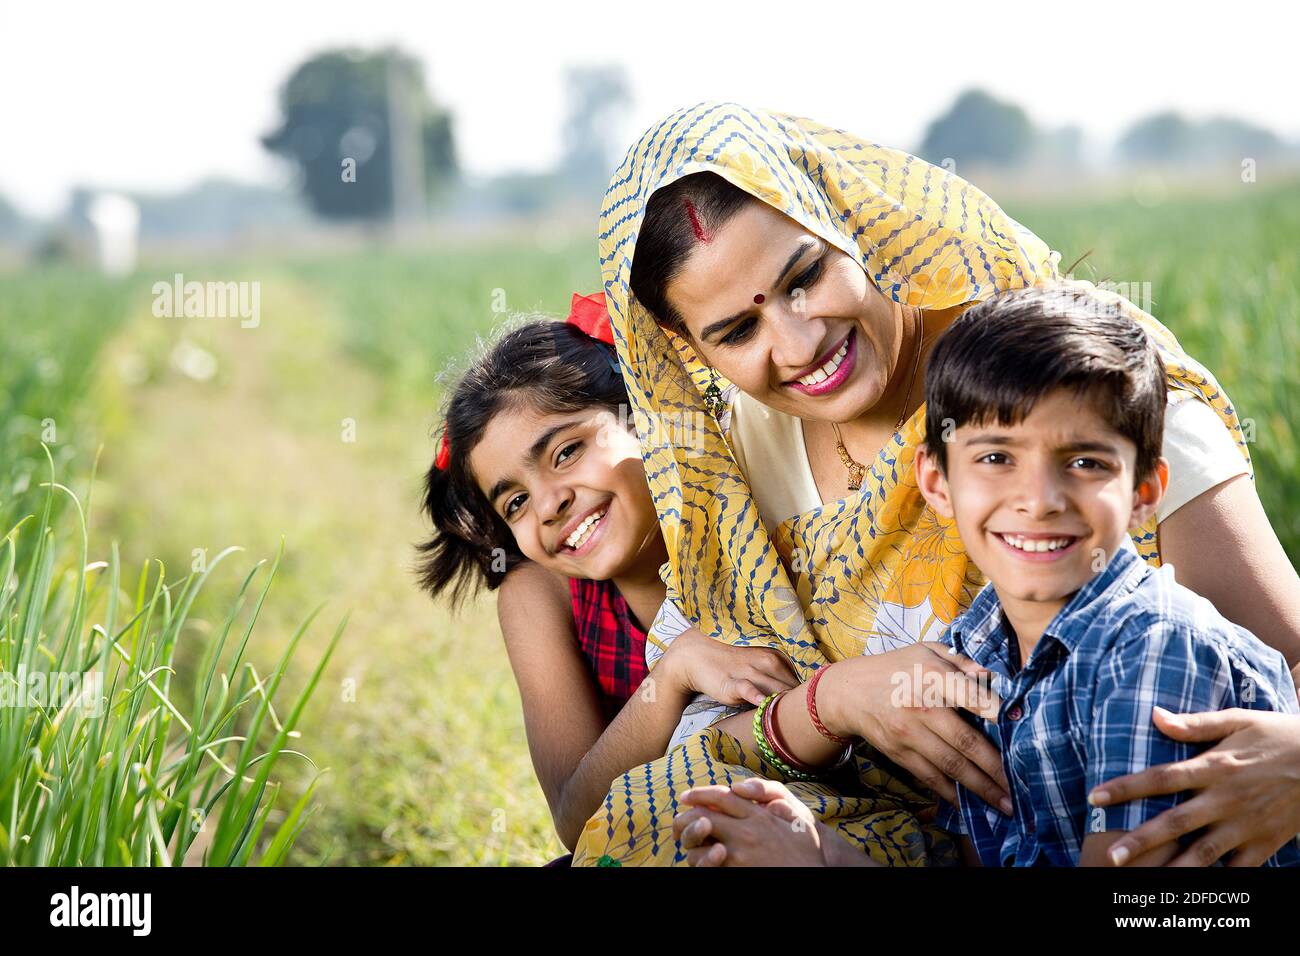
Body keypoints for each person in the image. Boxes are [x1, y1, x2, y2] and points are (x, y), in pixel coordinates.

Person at [575, 102, 1300, 867]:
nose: (797, 341)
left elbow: (1282, 664)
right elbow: (698, 747)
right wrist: (836, 700)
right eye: (736, 331)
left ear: (848, 220)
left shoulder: (1070, 389)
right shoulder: (733, 475)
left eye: (805, 277)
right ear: (691, 352)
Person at [416, 299, 796, 856]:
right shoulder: (540, 596)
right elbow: (577, 820)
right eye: (515, 501)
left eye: (567, 452)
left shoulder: (752, 521)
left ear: (644, 416)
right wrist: (671, 677)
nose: (548, 505)